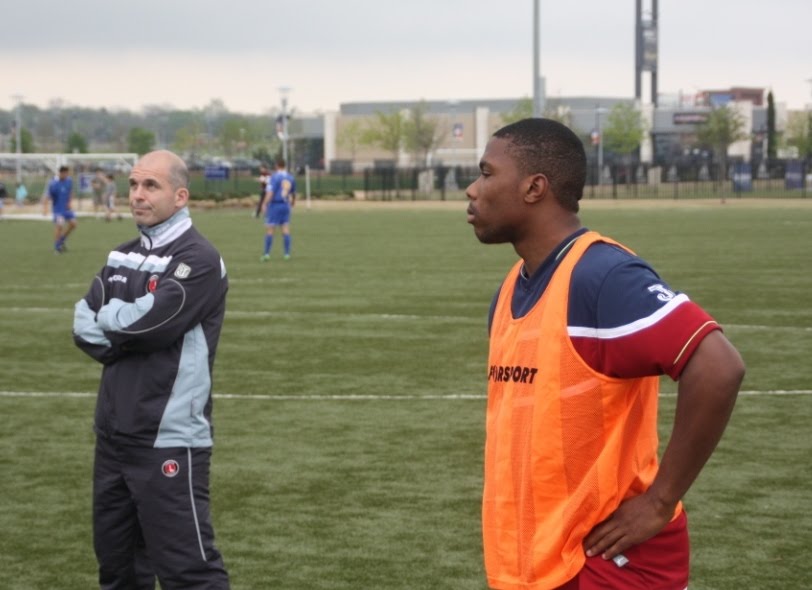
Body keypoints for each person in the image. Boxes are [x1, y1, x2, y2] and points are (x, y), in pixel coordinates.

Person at [465, 118, 745, 590]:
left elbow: (719, 366)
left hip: (604, 561)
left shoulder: (602, 276)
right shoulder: (514, 284)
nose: (473, 189)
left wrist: (660, 501)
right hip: (537, 560)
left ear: (535, 187)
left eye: (487, 173)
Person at [72, 149, 231, 589]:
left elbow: (150, 327)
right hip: (113, 435)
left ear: (180, 196)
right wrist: (120, 323)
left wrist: (114, 319)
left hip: (167, 437)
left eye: (150, 186)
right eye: (133, 185)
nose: (137, 196)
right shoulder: (120, 256)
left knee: (189, 572)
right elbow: (83, 326)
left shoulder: (199, 259)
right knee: (118, 570)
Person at [259, 158, 296, 261]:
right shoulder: (290, 177)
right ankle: (287, 254)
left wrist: (264, 203)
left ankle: (266, 254)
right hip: (285, 205)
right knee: (285, 229)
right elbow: (293, 193)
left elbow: (270, 192)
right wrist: (292, 203)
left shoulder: (274, 177)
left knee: (270, 229)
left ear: (277, 166)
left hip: (275, 205)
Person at [48, 165, 77, 252]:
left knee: (73, 224)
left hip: (66, 209)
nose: (66, 175)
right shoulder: (54, 184)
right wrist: (46, 208)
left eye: (67, 174)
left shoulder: (69, 181)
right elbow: (49, 196)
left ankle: (61, 240)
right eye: (65, 173)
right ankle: (57, 247)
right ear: (60, 173)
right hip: (58, 210)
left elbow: (70, 191)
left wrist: (69, 202)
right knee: (60, 226)